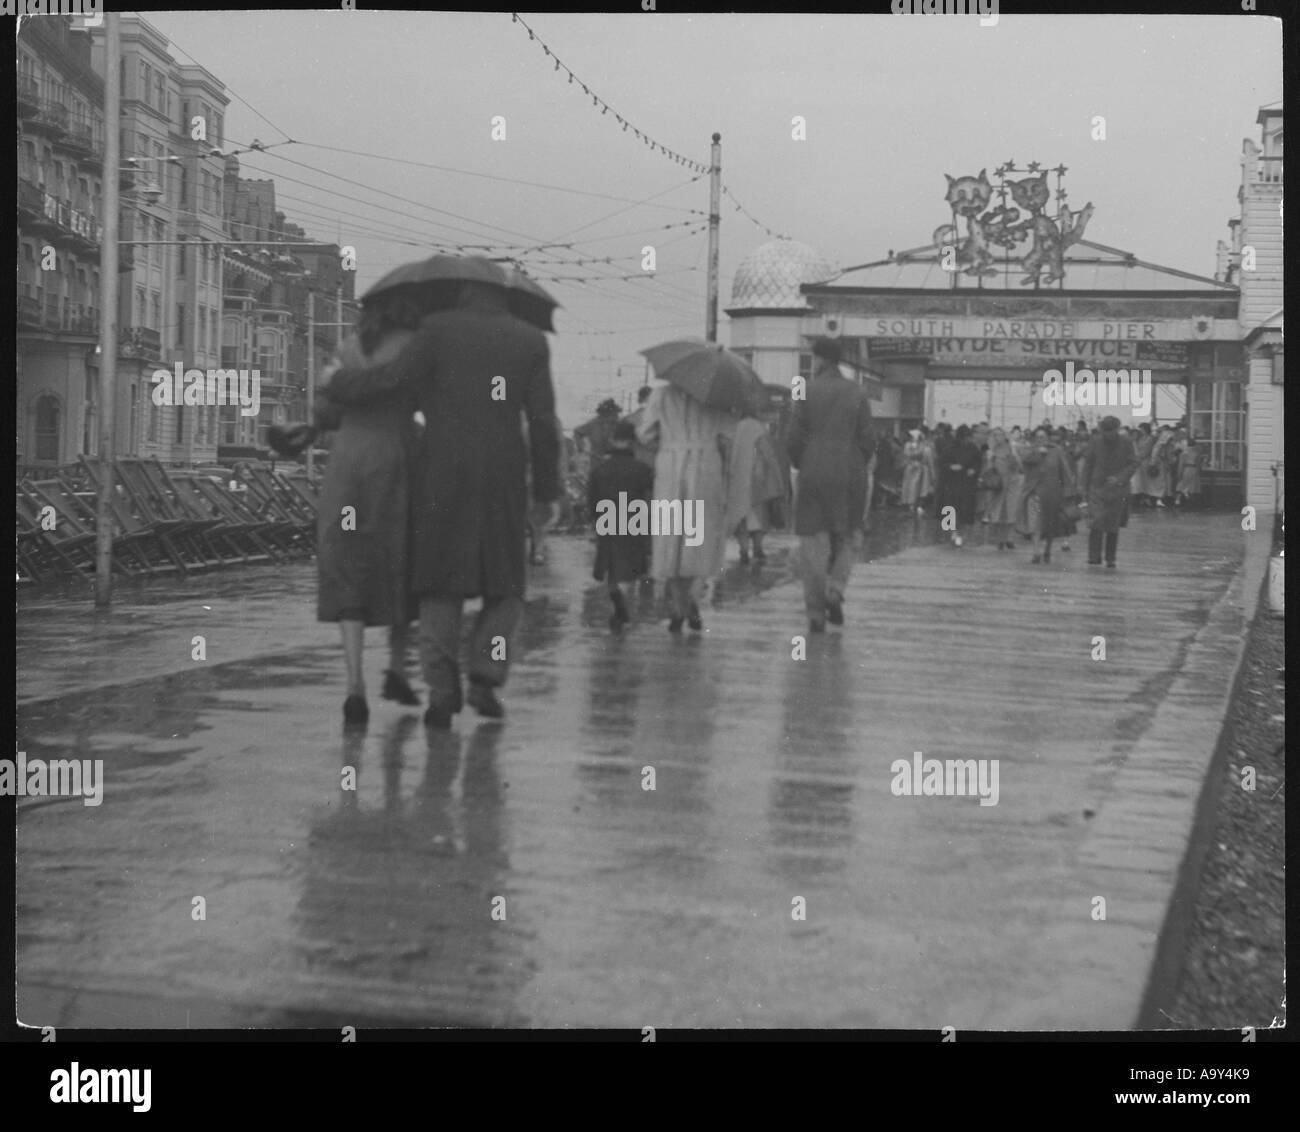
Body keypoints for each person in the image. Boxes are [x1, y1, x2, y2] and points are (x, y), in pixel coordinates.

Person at [322, 278, 560, 728]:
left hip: (440, 472)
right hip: (502, 473)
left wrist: (339, 381)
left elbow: (390, 381)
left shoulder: (434, 331)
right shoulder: (530, 340)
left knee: (438, 584)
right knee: (505, 587)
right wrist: (547, 491)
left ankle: (441, 692)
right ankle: (486, 676)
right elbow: (544, 422)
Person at [281, 291, 434, 724]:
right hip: (395, 460)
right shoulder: (414, 348)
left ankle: (354, 685)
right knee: (400, 561)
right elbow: (428, 403)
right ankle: (398, 668)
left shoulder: (348, 349)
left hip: (347, 464)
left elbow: (324, 413)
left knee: (347, 563)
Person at [786, 337, 874, 632]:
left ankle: (815, 613)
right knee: (849, 535)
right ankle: (836, 589)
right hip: (850, 471)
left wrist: (804, 462)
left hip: (813, 469)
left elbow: (793, 438)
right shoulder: (857, 392)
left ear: (820, 359)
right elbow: (868, 439)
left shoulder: (806, 391)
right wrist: (856, 461)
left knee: (814, 543)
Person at [635, 381, 734, 633]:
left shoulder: (661, 395)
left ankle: (679, 606)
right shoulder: (717, 399)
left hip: (670, 465)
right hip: (705, 468)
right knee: (699, 539)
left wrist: (667, 442)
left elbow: (645, 434)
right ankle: (692, 599)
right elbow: (728, 436)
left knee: (672, 540)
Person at [588, 420, 654, 630]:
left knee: (611, 568)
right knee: (634, 567)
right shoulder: (642, 469)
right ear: (633, 443)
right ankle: (623, 599)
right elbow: (652, 495)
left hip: (607, 521)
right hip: (634, 521)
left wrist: (597, 522)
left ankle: (617, 599)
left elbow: (592, 501)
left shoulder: (600, 470)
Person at [725, 402, 787, 565]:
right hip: (756, 478)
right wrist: (778, 477)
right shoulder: (758, 428)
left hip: (737, 477)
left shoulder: (733, 427)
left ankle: (744, 549)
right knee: (760, 516)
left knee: (741, 517)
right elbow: (768, 454)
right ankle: (758, 547)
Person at [1081, 415, 1140, 568]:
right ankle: (1094, 556)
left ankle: (1110, 558)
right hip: (1097, 488)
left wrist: (1120, 478)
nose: (1108, 434)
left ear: (1117, 429)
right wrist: (1083, 487)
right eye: (1105, 430)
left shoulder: (1127, 442)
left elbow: (1134, 463)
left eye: (1111, 430)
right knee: (1096, 522)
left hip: (1117, 490)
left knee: (1113, 525)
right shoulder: (1095, 441)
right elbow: (1088, 465)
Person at [1016, 425, 1075, 564]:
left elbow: (1065, 471)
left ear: (1047, 438)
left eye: (1042, 437)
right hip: (1034, 492)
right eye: (1037, 437)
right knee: (1035, 523)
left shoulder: (1056, 451)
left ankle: (1047, 549)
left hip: (1052, 493)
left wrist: (1068, 491)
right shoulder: (1028, 450)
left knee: (1050, 525)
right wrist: (1038, 453)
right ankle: (1036, 552)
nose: (1040, 440)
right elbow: (1025, 462)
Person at [935, 422, 982, 547]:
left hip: (967, 483)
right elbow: (941, 463)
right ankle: (953, 532)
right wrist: (951, 467)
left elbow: (978, 463)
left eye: (968, 437)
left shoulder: (973, 448)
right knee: (951, 508)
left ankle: (959, 533)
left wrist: (974, 470)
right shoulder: (950, 448)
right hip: (952, 483)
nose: (967, 439)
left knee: (965, 510)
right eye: (965, 437)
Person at [983, 427, 1023, 550]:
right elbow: (988, 470)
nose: (997, 437)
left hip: (1012, 483)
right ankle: (1000, 539)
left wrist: (1014, 458)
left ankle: (1009, 538)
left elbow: (1019, 467)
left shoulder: (1012, 448)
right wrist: (990, 460)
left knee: (1011, 509)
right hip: (998, 485)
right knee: (999, 511)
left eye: (999, 435)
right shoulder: (991, 451)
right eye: (995, 435)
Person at [900, 427, 933, 516]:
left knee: (921, 490)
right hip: (911, 470)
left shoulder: (925, 447)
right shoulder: (908, 445)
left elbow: (929, 460)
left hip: (921, 471)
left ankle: (918, 507)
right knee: (911, 488)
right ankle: (911, 507)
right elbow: (907, 455)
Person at [1176, 434, 1206, 507]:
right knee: (1193, 487)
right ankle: (1191, 501)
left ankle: (1178, 500)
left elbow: (1180, 465)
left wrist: (1179, 474)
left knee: (1182, 484)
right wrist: (1199, 472)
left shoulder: (1184, 453)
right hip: (1194, 469)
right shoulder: (1197, 452)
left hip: (1186, 469)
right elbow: (1199, 464)